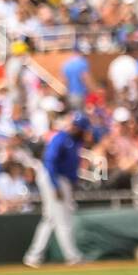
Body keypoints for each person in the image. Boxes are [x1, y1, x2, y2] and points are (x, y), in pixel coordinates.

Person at [22, 113, 89, 267]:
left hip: (61, 179)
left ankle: (33, 256)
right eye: (76, 125)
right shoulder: (61, 138)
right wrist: (55, 185)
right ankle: (72, 256)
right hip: (53, 177)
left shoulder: (74, 141)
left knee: (50, 218)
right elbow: (50, 161)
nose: (76, 128)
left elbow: (71, 167)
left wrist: (71, 184)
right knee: (63, 218)